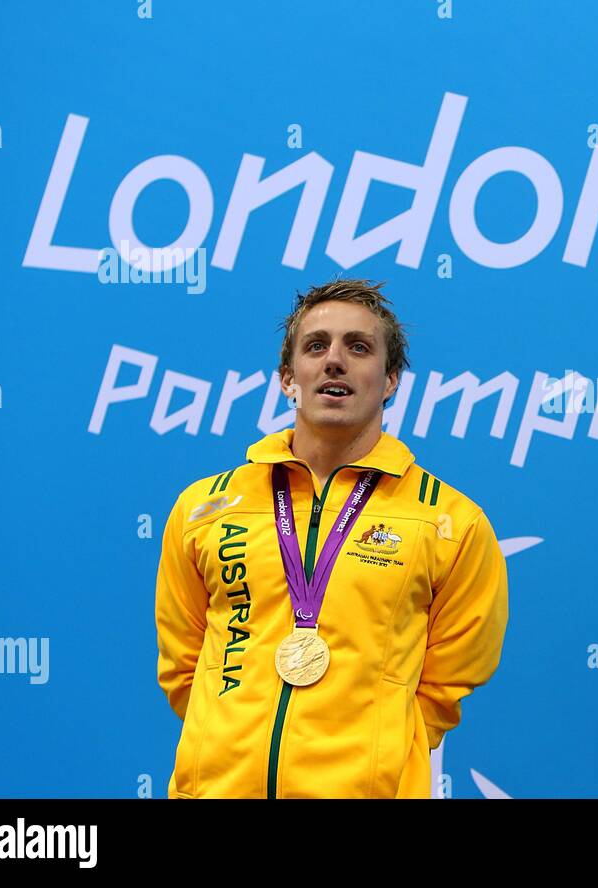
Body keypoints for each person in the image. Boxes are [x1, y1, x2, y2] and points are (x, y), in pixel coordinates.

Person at [154, 278, 509, 798]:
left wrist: (381, 753)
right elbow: (183, 664)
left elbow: (450, 678)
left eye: (358, 347)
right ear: (286, 378)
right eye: (315, 346)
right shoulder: (203, 508)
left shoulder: (449, 522)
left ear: (390, 380)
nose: (334, 361)